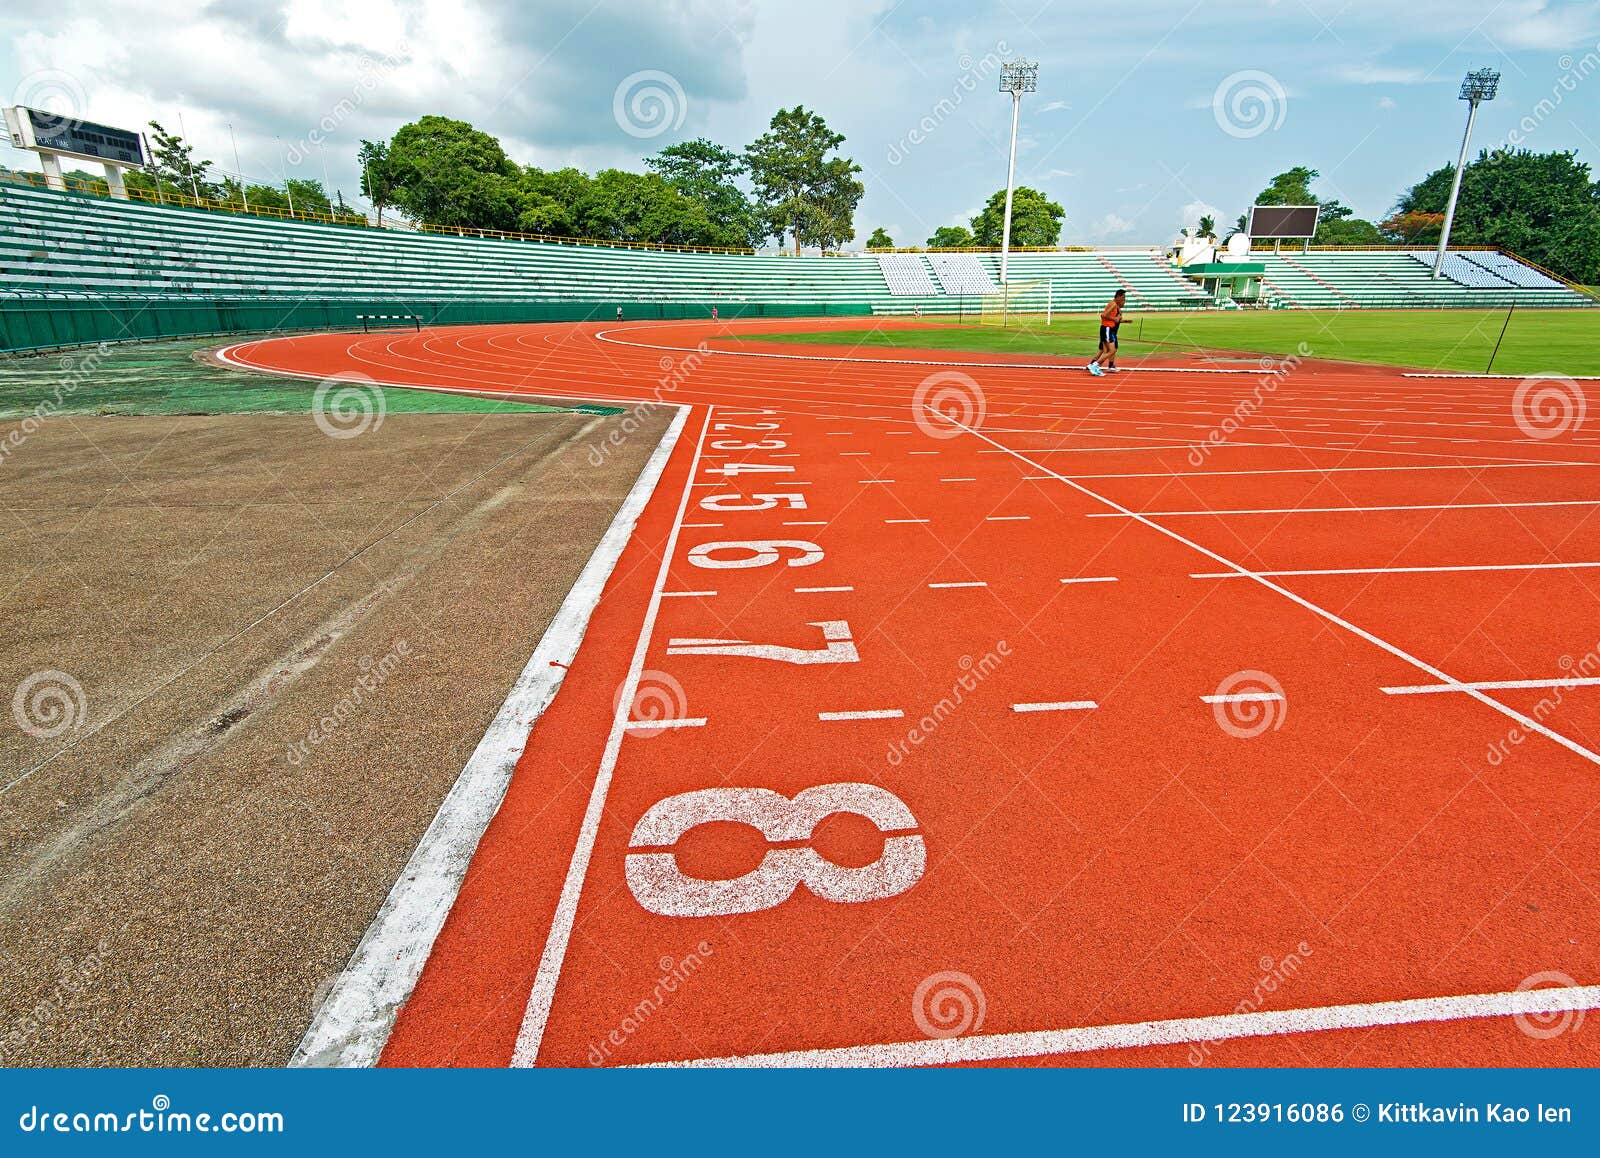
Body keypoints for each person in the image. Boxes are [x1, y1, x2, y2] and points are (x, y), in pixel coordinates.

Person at [1087, 289, 1126, 376]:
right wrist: (1115, 319)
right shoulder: (1113, 304)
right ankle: (1094, 365)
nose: (1124, 299)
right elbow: (1103, 315)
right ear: (1118, 296)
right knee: (1112, 350)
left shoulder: (1113, 304)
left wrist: (1123, 321)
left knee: (1106, 351)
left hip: (1107, 328)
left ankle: (1096, 367)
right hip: (1107, 328)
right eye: (1123, 297)